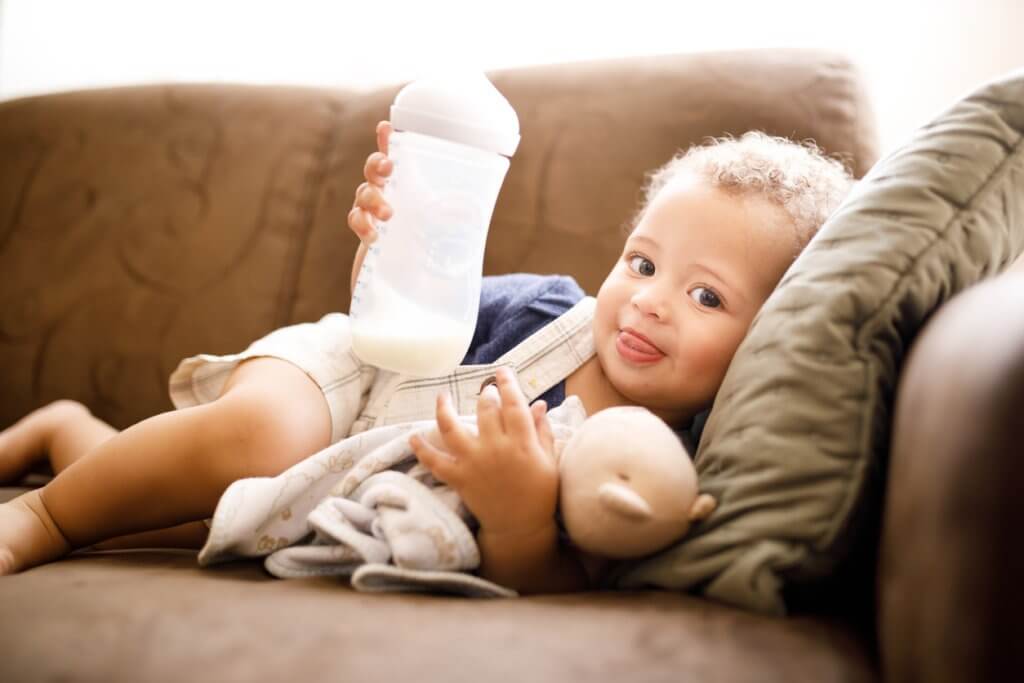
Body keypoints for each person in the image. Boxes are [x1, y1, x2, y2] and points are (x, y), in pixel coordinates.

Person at [0, 120, 853, 593]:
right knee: (261, 436)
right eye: (642, 262)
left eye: (707, 296)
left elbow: (558, 584)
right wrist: (389, 246)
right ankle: (44, 517)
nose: (652, 299)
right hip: (344, 385)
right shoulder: (550, 310)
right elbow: (389, 323)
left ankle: (67, 431)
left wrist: (520, 517)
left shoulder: (661, 473)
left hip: (344, 491)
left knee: (198, 515)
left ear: (766, 338)